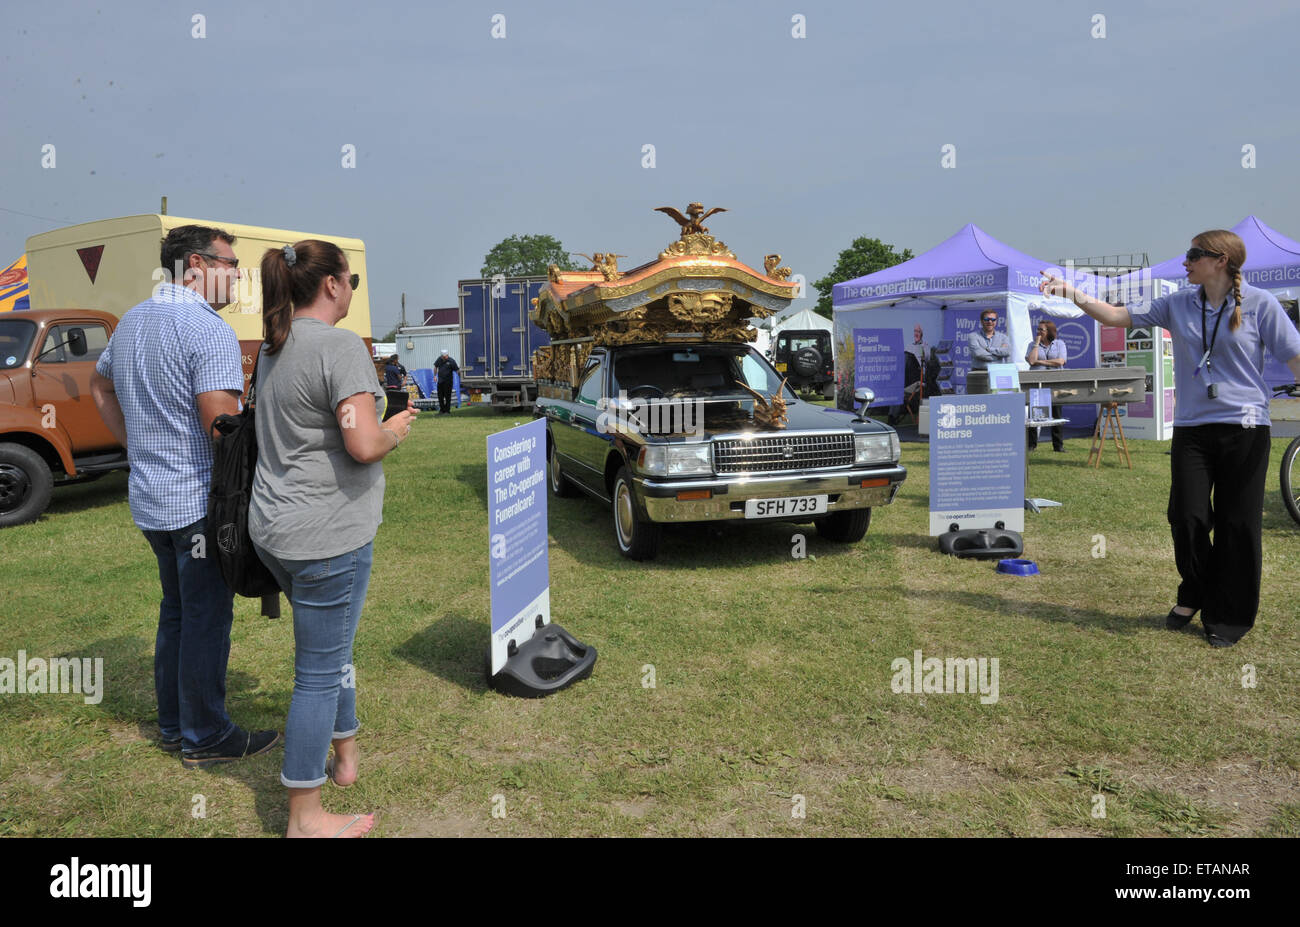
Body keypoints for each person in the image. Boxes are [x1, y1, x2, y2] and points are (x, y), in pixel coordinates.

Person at [1040, 230, 1300, 647]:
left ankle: (1229, 616)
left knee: (1238, 524)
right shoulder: (1177, 303)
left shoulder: (1260, 304)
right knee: (1187, 515)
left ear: (1219, 260)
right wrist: (1071, 291)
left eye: (1194, 254)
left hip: (1247, 429)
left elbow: (1295, 356)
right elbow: (1113, 316)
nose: (1185, 261)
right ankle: (1196, 590)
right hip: (1192, 429)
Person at [89, 225, 280, 767]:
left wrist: (137, 442)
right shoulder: (206, 328)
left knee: (176, 612)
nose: (236, 275)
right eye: (229, 264)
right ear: (195, 264)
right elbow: (220, 424)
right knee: (204, 618)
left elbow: (100, 385)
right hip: (197, 502)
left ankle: (175, 726)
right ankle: (205, 736)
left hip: (150, 499)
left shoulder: (132, 320)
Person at [250, 241, 418, 837]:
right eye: (350, 280)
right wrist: (395, 427)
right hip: (324, 537)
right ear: (331, 286)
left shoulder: (275, 344)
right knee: (319, 672)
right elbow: (364, 444)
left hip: (276, 530)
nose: (352, 290)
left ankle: (344, 761)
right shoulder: (342, 347)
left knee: (334, 649)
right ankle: (305, 816)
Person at [1026, 319, 1067, 452]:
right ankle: (1032, 445)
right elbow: (1032, 361)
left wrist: (1041, 362)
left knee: (1057, 414)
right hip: (1038, 383)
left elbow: (1061, 361)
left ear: (1049, 331)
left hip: (1056, 382)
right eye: (1037, 329)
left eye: (1041, 330)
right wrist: (1037, 344)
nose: (1038, 332)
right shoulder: (1032, 344)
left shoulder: (1059, 344)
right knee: (1036, 415)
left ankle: (1058, 446)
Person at [434, 348, 459, 414]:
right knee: (440, 396)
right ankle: (442, 410)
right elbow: (435, 367)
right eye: (442, 356)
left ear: (447, 355)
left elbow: (457, 370)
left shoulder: (451, 361)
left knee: (447, 396)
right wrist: (435, 376)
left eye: (444, 357)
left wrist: (461, 377)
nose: (443, 358)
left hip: (448, 382)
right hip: (440, 381)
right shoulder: (439, 359)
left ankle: (447, 411)